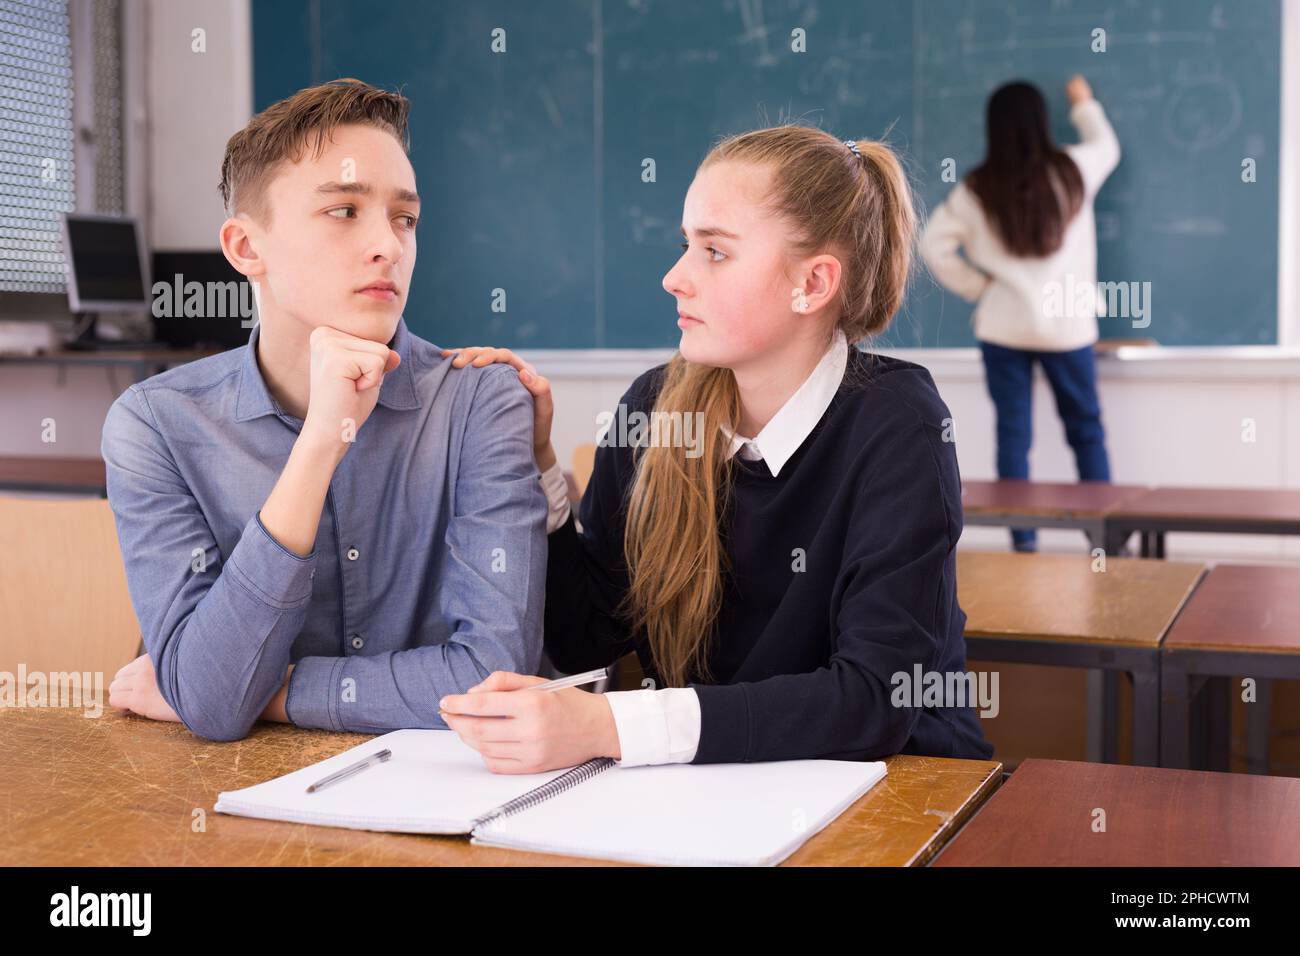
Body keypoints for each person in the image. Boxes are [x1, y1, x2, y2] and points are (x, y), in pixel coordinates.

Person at [437, 125, 994, 774]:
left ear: (813, 285)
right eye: (685, 246)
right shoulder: (655, 408)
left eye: (715, 252)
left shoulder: (900, 426)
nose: (675, 277)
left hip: (905, 790)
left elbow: (872, 701)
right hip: (718, 793)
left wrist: (611, 725)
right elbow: (588, 638)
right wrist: (540, 466)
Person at [102, 79, 547, 741]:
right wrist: (319, 444)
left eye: (405, 218)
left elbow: (490, 679)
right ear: (247, 248)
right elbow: (211, 708)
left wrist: (274, 691)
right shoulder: (157, 424)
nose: (390, 247)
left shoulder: (481, 399)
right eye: (344, 210)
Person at [920, 75, 1121, 552]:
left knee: (1014, 435)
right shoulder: (1073, 169)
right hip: (1067, 327)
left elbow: (932, 245)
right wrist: (1084, 103)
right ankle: (1107, 545)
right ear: (1041, 121)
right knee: (1086, 430)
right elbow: (1107, 146)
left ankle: (1024, 546)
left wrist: (981, 288)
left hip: (1004, 326)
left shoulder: (977, 189)